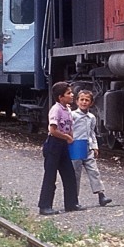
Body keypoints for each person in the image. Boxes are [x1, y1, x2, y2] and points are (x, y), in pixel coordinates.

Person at [37, 81, 85, 215]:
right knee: (50, 176)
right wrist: (67, 137)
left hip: (63, 146)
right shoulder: (56, 110)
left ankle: (71, 203)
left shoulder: (67, 109)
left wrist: (71, 137)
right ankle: (45, 206)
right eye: (68, 93)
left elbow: (69, 126)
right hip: (53, 145)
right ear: (60, 97)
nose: (72, 95)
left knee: (69, 175)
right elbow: (53, 130)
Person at [71, 89, 113, 207]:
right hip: (75, 146)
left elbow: (91, 133)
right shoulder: (72, 115)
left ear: (91, 103)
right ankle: (74, 199)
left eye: (87, 100)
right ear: (77, 101)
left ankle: (101, 195)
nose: (84, 102)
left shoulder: (91, 117)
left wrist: (94, 146)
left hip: (87, 146)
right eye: (82, 100)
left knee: (94, 171)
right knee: (76, 174)